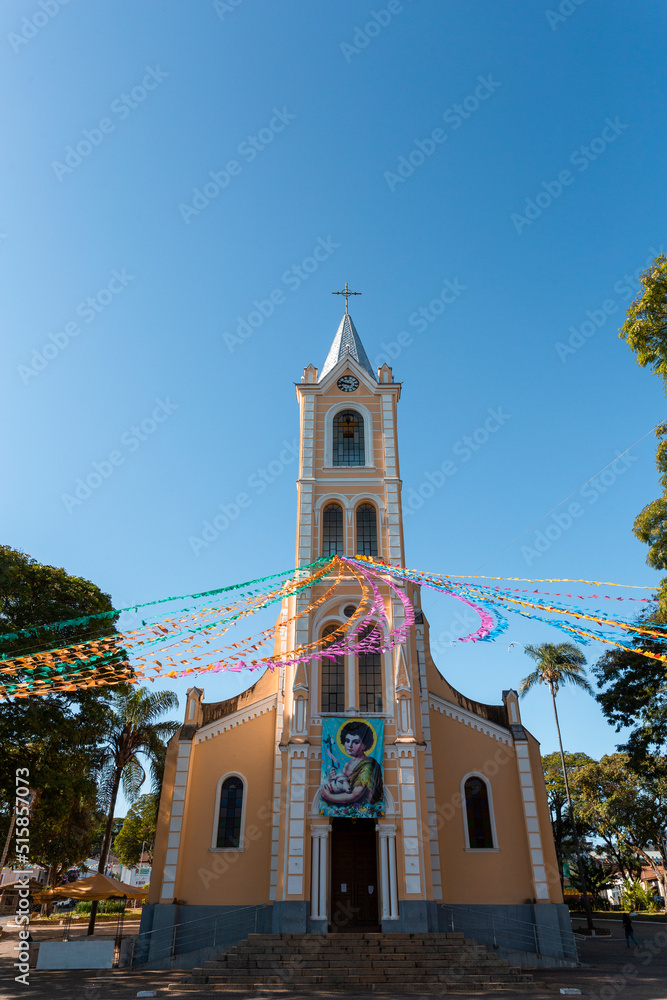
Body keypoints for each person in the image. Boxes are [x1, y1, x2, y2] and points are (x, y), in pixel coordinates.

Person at [319, 721, 383, 809]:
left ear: (364, 745)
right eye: (347, 741)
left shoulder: (368, 766)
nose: (350, 745)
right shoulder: (347, 764)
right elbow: (343, 787)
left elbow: (355, 795)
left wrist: (328, 796)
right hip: (348, 805)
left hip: (364, 808)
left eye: (356, 742)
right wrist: (332, 778)